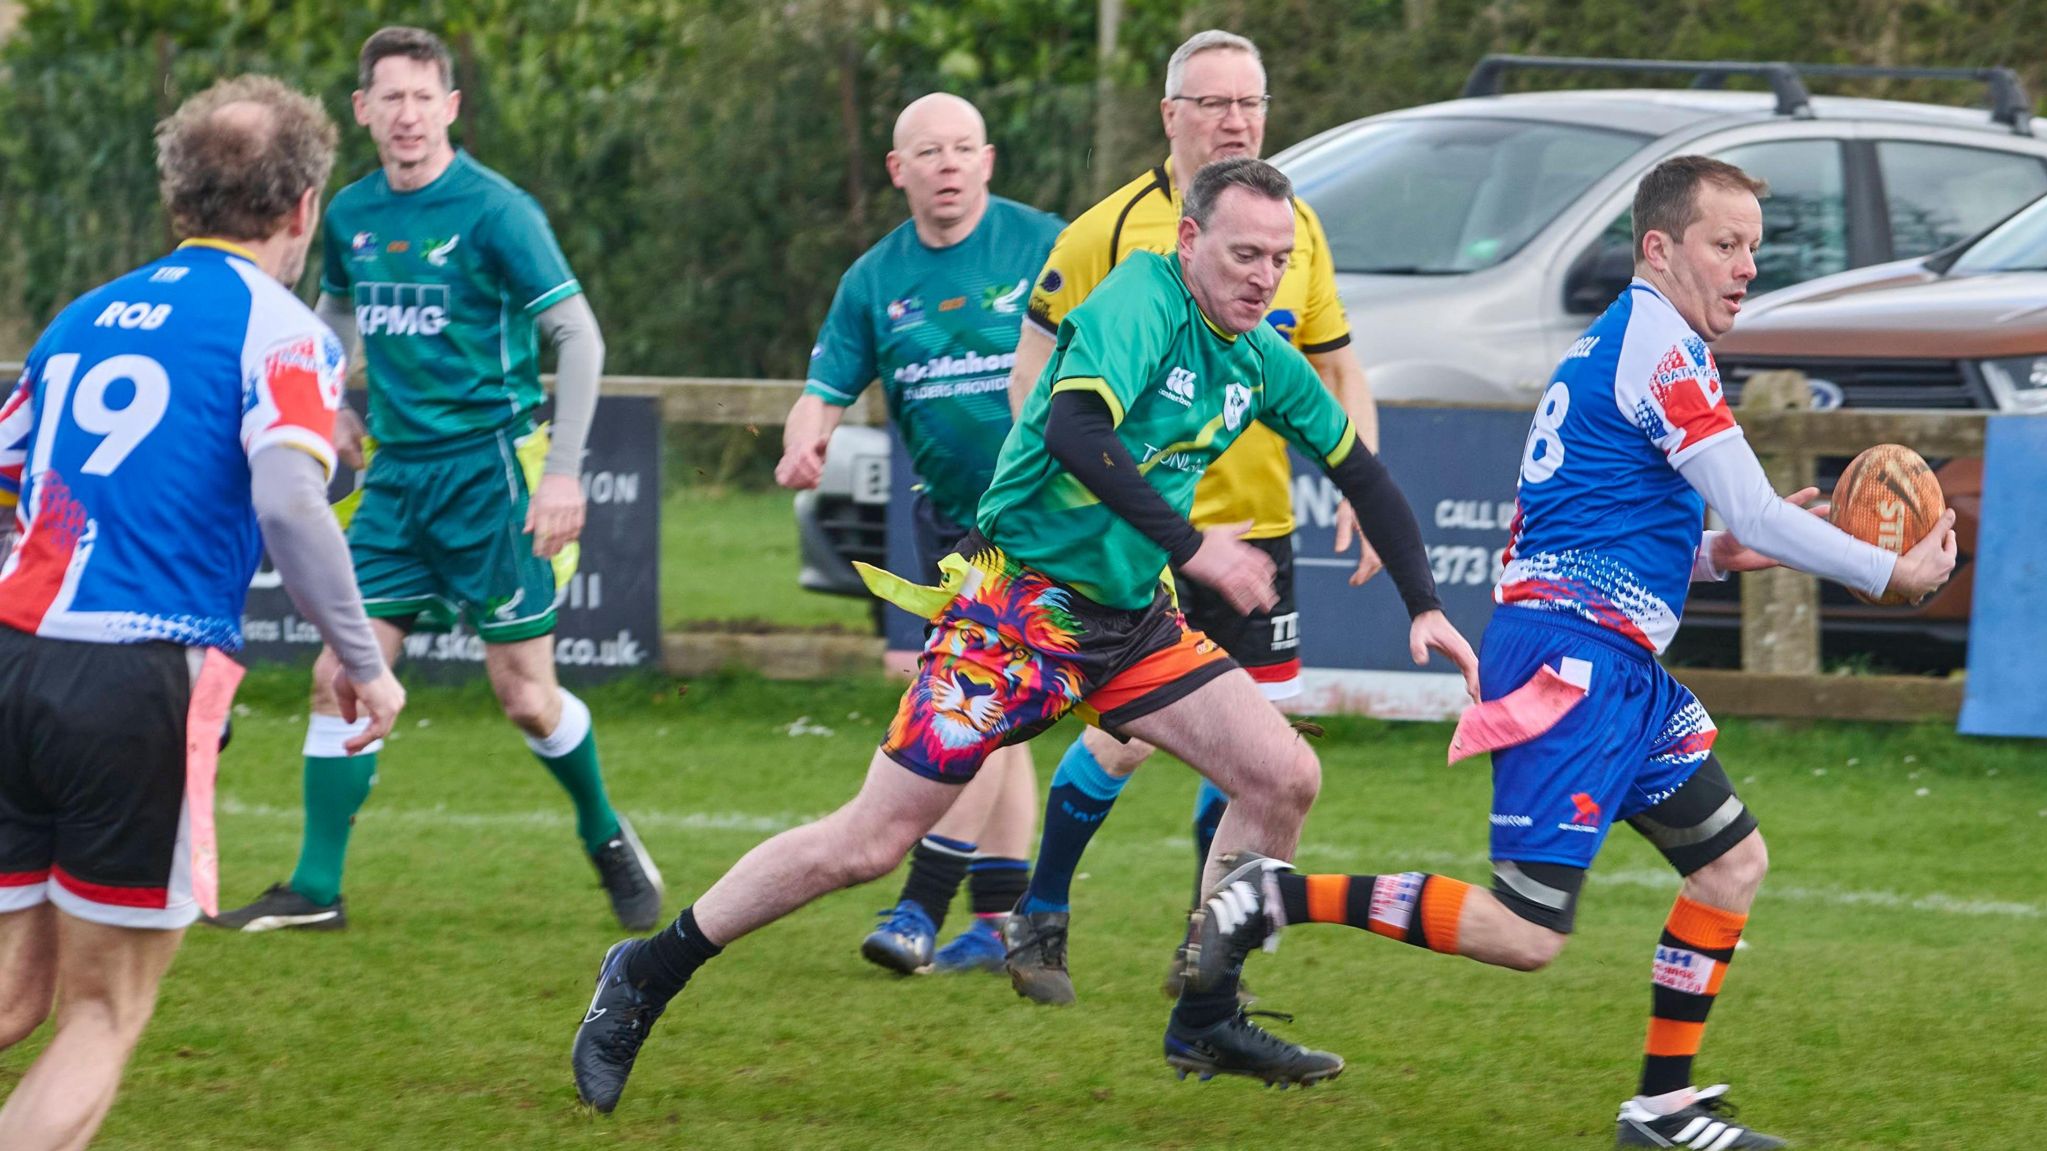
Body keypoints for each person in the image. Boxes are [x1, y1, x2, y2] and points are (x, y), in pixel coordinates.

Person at [569, 157, 1477, 1113]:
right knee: (868, 843)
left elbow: (1361, 472)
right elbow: (1074, 430)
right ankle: (645, 970)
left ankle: (1208, 1008)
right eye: (1245, 252)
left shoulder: (1257, 356)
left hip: (1128, 622)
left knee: (1283, 775)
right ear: (1189, 242)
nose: (1264, 275)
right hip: (1015, 611)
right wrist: (1194, 544)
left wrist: (1423, 604)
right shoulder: (1140, 301)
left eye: (1280, 258)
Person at [1182, 155, 1957, 1145]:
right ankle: (1272, 892)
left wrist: (1717, 555)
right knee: (1528, 931)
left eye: (1751, 249)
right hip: (1572, 665)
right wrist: (1884, 572)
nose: (1743, 267)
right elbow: (1751, 500)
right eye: (1723, 245)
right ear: (1658, 248)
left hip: (1611, 660)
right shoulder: (1658, 347)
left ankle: (1662, 1104)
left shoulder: (1630, 343)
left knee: (1728, 862)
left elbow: (1607, 523)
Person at [0, 75, 406, 1149]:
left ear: (177, 199)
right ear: (305, 208)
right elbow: (287, 493)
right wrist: (364, 656)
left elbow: (4, 489)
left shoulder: (77, 320)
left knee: (15, 994)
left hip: (15, 657)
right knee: (103, 1007)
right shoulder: (281, 332)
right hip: (140, 673)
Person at [207, 26, 662, 935]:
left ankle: (605, 832)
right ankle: (315, 887)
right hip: (398, 481)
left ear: (450, 108)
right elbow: (335, 313)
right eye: (392, 98)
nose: (408, 115)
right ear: (363, 110)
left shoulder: (498, 212)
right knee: (341, 667)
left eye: (425, 98)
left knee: (524, 694)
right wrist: (329, 396)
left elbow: (580, 336)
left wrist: (563, 472)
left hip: (491, 474)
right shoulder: (351, 213)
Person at [995, 29, 1382, 1006]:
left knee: (1257, 749)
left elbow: (1334, 365)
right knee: (1119, 740)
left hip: (1255, 541)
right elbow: (1035, 382)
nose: (1234, 121)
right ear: (1169, 116)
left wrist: (1364, 490)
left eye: (1248, 104)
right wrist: (1086, 501)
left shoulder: (1291, 226)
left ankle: (1202, 946)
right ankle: (1039, 909)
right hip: (1146, 549)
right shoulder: (1106, 233)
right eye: (1212, 103)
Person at [778, 93, 1065, 977]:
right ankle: (998, 922)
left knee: (973, 702)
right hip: (948, 522)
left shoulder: (1048, 244)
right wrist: (804, 433)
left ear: (987, 161)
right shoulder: (874, 279)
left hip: (1045, 514)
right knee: (997, 714)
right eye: (929, 151)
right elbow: (825, 382)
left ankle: (919, 906)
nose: (948, 163)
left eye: (964, 148)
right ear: (899, 170)